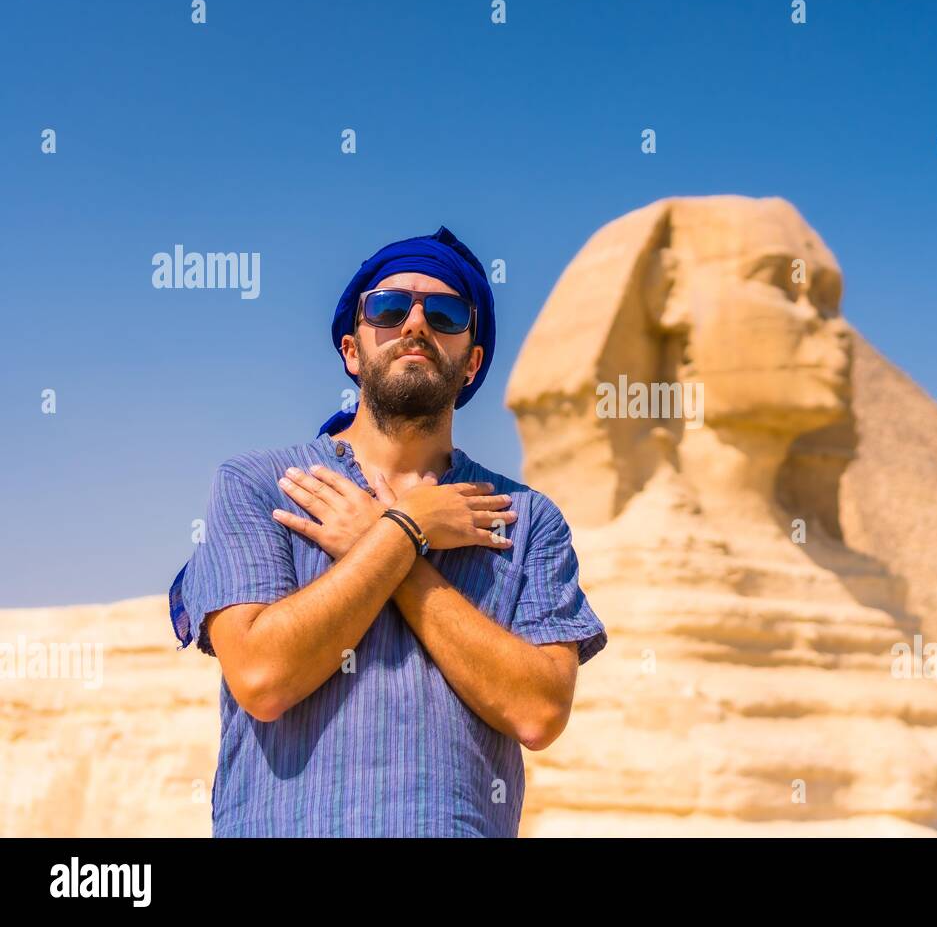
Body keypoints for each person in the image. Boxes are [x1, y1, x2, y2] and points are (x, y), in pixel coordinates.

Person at [167, 226, 607, 837]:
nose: (417, 325)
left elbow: (538, 712)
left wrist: (389, 538)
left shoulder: (526, 518)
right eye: (390, 308)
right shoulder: (263, 485)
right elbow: (264, 679)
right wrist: (411, 526)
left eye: (447, 314)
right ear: (352, 350)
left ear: (472, 361)